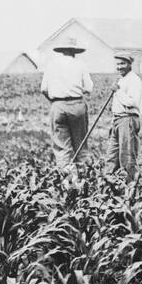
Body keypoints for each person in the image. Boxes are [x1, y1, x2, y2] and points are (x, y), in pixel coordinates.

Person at [39, 34, 93, 178]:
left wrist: (55, 102)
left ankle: (68, 180)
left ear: (61, 50)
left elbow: (44, 89)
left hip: (58, 106)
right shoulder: (80, 65)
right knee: (80, 144)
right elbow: (88, 88)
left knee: (62, 146)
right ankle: (83, 180)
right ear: (74, 51)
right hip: (77, 105)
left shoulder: (51, 65)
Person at [107, 51, 142, 183]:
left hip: (128, 119)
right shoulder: (122, 80)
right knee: (112, 155)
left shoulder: (134, 80)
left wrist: (118, 91)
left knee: (127, 155)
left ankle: (131, 185)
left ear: (129, 64)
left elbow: (131, 102)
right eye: (117, 64)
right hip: (118, 120)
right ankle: (108, 185)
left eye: (122, 63)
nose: (119, 67)